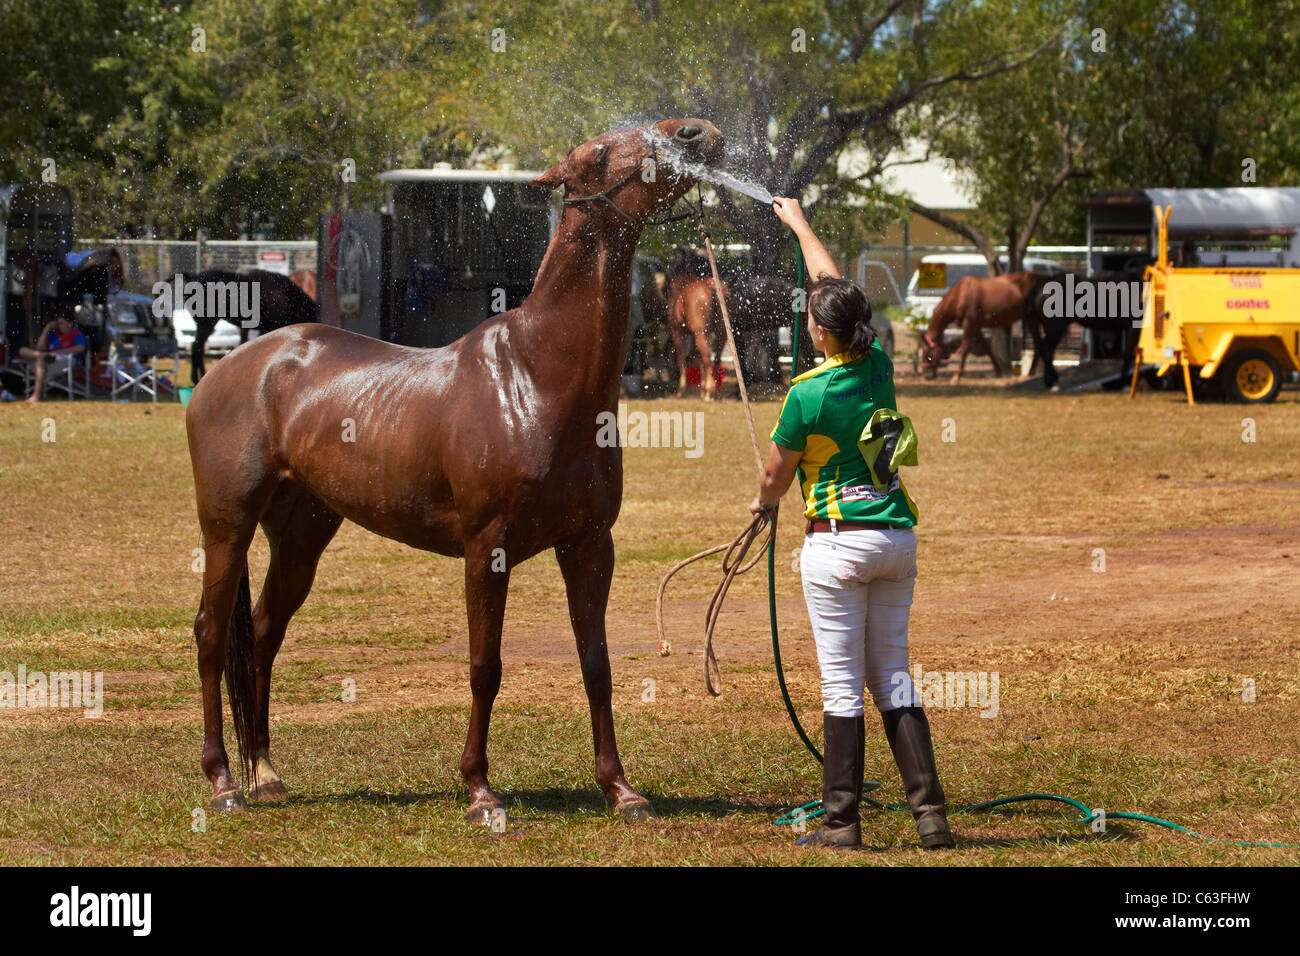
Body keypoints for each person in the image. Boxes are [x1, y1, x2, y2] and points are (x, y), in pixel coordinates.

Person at [749, 197, 954, 850]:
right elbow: (837, 292)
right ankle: (931, 817)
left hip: (838, 548)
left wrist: (763, 504)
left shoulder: (806, 392)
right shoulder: (878, 366)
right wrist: (801, 224)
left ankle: (842, 823)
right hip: (897, 540)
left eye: (814, 317)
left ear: (818, 333)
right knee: (893, 676)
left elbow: (774, 479)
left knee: (843, 687)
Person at [19, 311, 87, 403]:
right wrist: (46, 329)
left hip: (65, 360)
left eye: (62, 323)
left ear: (70, 324)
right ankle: (41, 356)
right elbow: (39, 347)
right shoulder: (54, 335)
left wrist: (59, 352)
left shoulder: (76, 334)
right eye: (58, 323)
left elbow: (80, 348)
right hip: (48, 359)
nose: (59, 326)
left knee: (40, 359)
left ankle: (36, 395)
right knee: (22, 350)